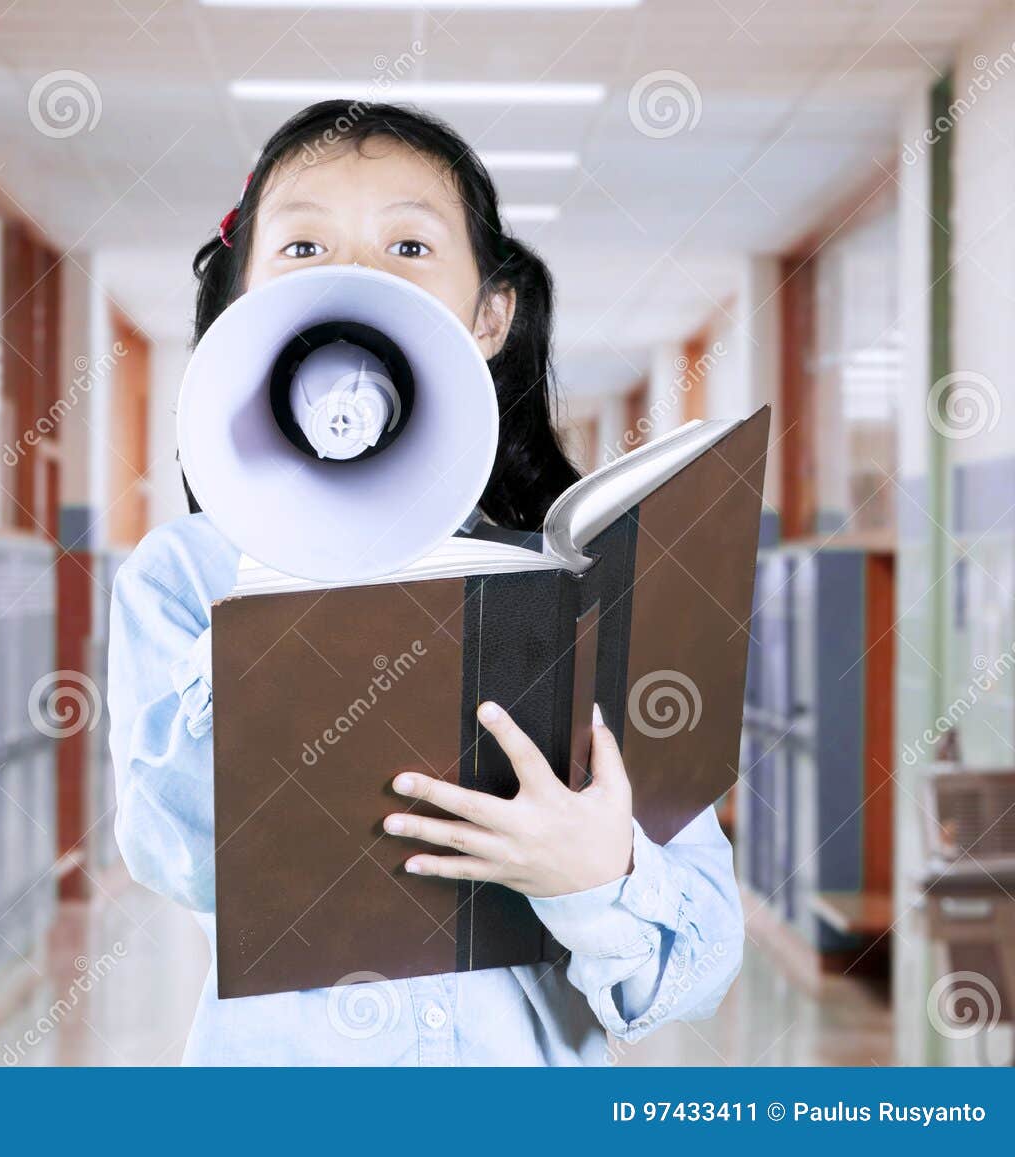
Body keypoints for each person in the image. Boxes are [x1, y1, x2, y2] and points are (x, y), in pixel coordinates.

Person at [107, 101, 743, 1065]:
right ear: (241, 300)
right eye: (304, 245)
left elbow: (702, 966)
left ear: (491, 316)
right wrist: (285, 579)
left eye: (409, 245)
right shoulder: (186, 575)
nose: (358, 276)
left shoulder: (586, 586)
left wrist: (594, 875)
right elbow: (179, 856)